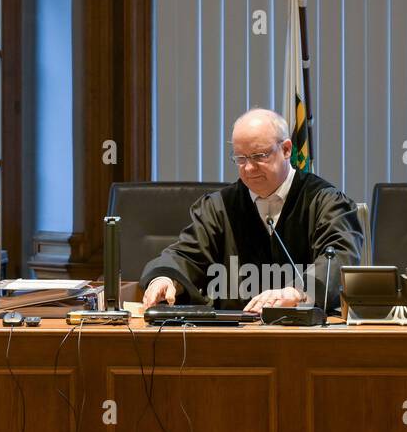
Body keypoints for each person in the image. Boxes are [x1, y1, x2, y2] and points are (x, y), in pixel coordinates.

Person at [141, 108, 364, 312]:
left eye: (259, 156)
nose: (248, 168)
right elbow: (186, 255)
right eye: (240, 158)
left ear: (286, 149)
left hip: (306, 336)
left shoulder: (325, 201)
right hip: (234, 335)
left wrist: (298, 293)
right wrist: (165, 278)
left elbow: (340, 258)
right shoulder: (219, 206)